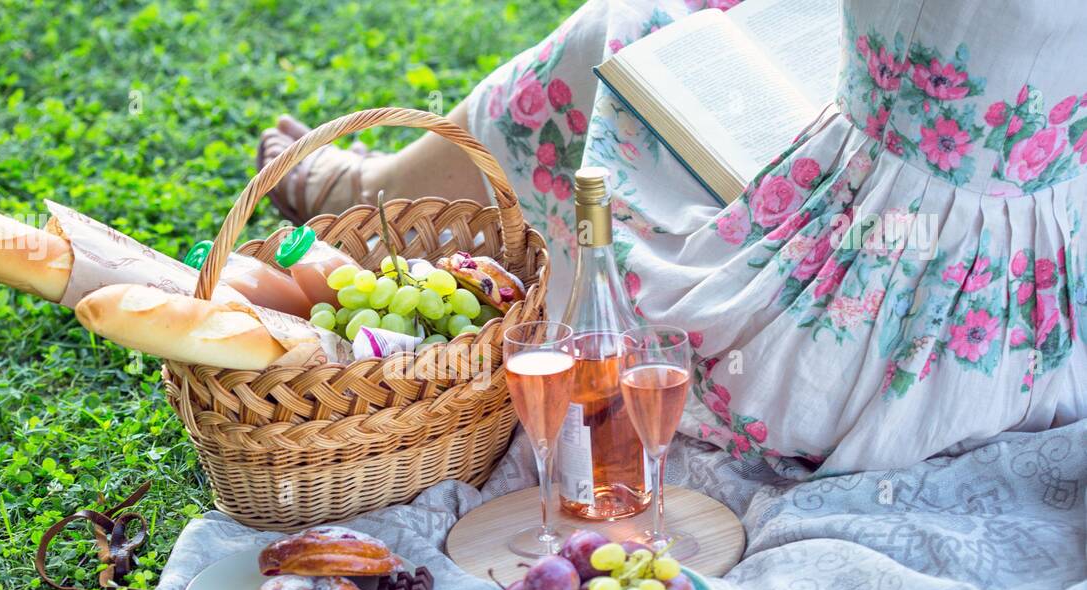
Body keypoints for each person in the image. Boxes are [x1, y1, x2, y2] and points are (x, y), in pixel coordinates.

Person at [258, 0, 1087, 476]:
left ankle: (369, 193)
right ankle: (382, 187)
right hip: (1040, 316)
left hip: (853, 327)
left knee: (629, 26)